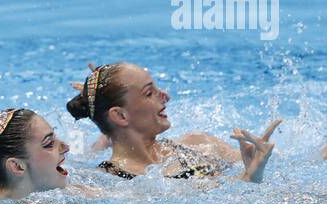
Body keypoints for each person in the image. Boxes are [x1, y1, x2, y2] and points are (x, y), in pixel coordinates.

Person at [66, 63, 281, 182]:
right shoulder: (108, 184)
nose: (165, 96)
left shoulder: (201, 144)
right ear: (120, 116)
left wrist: (256, 171)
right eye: (149, 93)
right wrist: (249, 179)